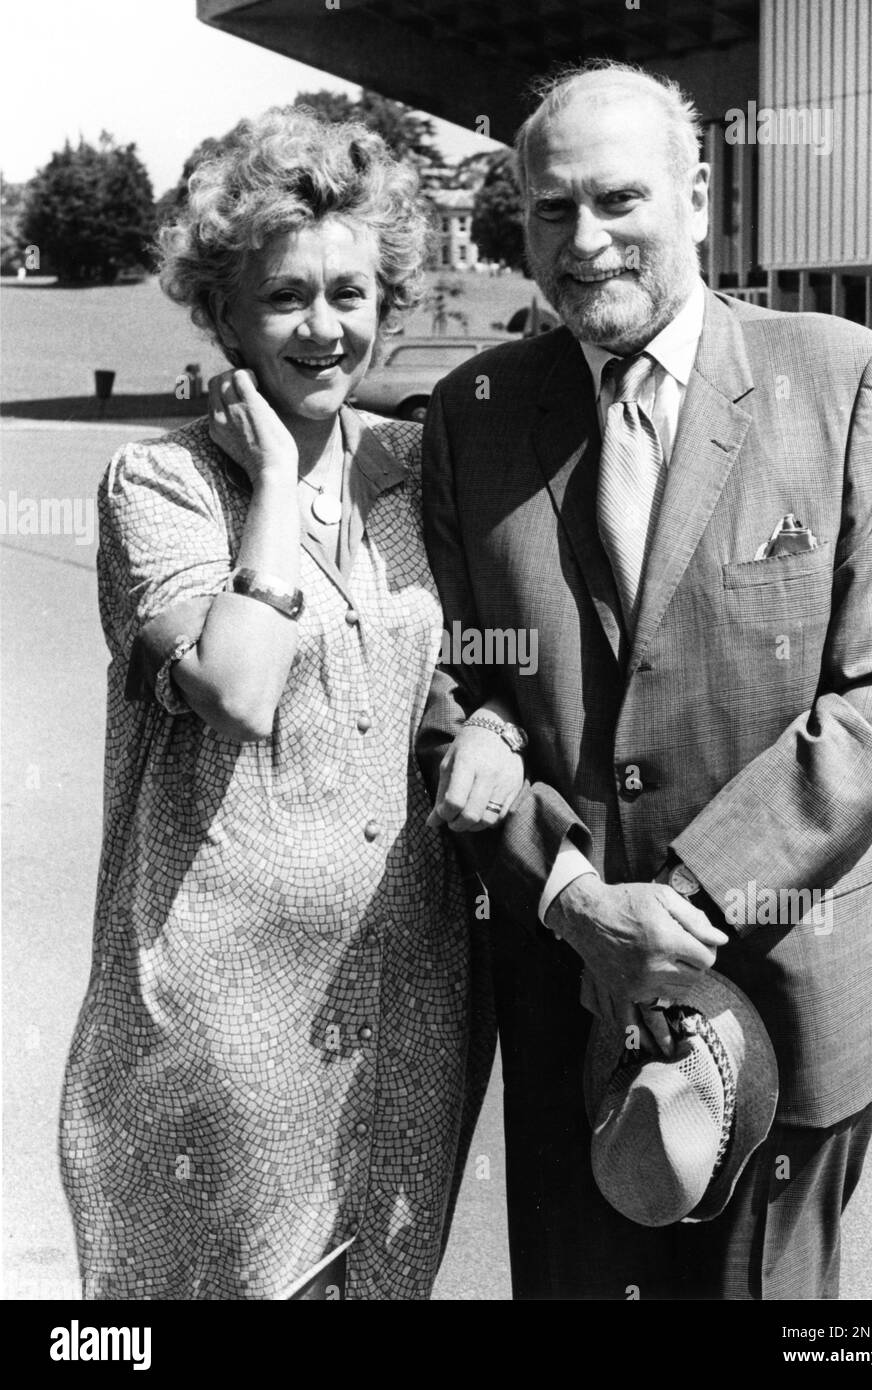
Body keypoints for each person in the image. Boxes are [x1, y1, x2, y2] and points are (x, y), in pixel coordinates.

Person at [420, 62, 872, 1300]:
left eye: (618, 200)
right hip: (570, 1005)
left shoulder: (852, 383)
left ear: (695, 198)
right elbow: (444, 696)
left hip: (785, 1003)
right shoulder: (474, 414)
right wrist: (573, 903)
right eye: (552, 212)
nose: (585, 241)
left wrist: (675, 905)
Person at [59, 107, 522, 1302]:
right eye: (285, 298)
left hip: (406, 986)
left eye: (351, 293)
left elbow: (466, 669)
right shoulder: (159, 483)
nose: (325, 328)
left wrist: (487, 726)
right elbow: (238, 689)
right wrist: (274, 482)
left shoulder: (416, 470)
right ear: (219, 313)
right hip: (225, 1003)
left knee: (378, 1280)